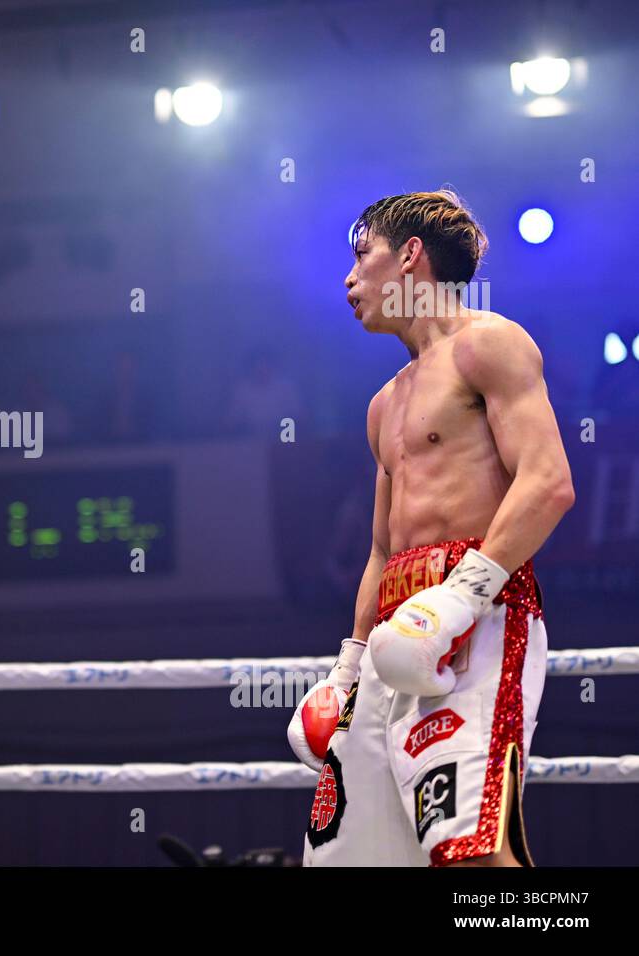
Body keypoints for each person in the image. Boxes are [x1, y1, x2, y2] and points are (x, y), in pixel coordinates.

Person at [288, 190, 575, 866]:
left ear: (410, 255)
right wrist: (347, 668)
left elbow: (547, 483)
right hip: (393, 636)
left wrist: (458, 598)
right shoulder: (383, 405)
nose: (348, 279)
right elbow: (383, 548)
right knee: (351, 859)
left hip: (477, 618)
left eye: (363, 256)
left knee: (468, 851)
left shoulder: (490, 344)